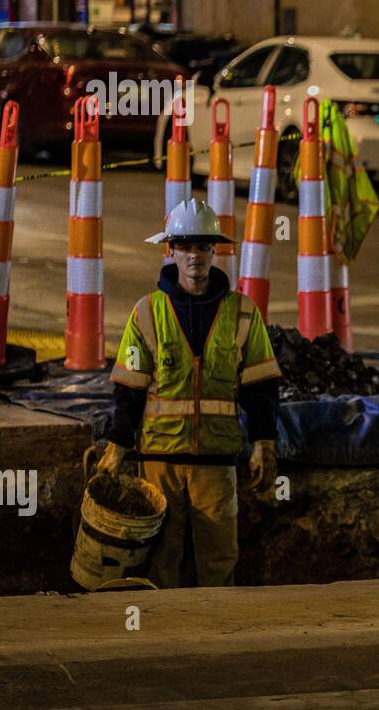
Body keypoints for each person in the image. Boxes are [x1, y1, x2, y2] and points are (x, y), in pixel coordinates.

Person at [99, 198, 281, 587]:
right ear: (171, 251)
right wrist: (117, 448)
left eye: (202, 246)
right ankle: (168, 644)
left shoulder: (244, 312)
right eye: (185, 246)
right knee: (162, 561)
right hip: (159, 461)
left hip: (216, 463)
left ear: (215, 250)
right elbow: (129, 389)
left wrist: (264, 442)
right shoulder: (147, 312)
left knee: (218, 562)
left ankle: (217, 643)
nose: (194, 255)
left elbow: (262, 386)